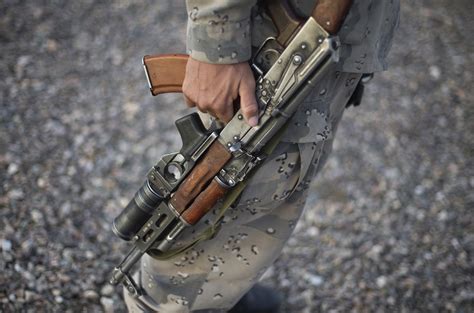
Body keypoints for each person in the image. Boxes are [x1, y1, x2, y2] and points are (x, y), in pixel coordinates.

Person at [124, 0, 400, 312]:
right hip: (286, 37)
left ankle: (222, 291)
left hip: (336, 35)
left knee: (272, 186)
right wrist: (217, 42)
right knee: (223, 205)